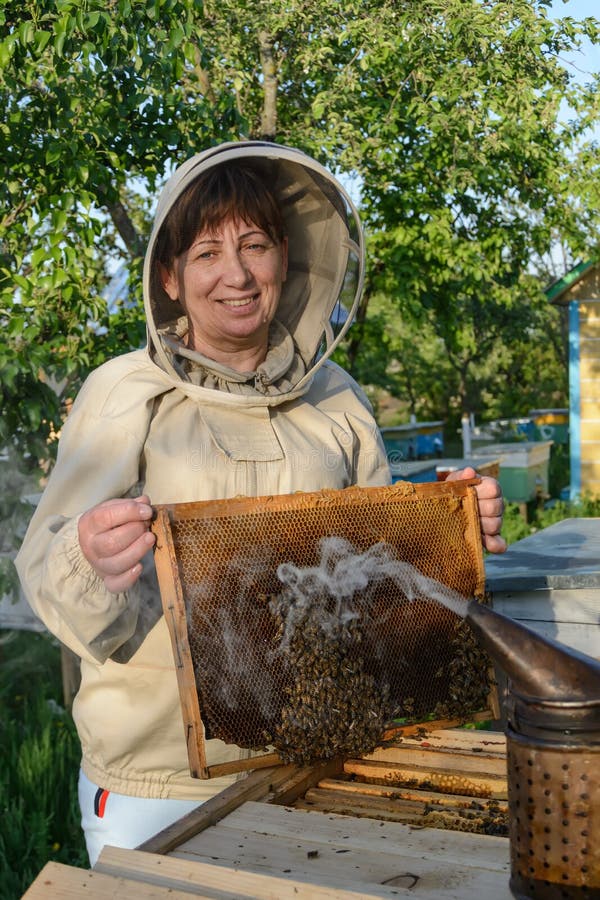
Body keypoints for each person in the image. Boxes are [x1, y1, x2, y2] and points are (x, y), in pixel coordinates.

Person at [15, 141, 505, 865]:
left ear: (286, 258)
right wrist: (87, 555)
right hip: (160, 787)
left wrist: (447, 528)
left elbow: (377, 583)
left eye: (254, 245)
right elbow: (45, 576)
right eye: (208, 252)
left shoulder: (338, 398)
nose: (237, 274)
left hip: (327, 761)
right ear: (171, 278)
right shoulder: (122, 394)